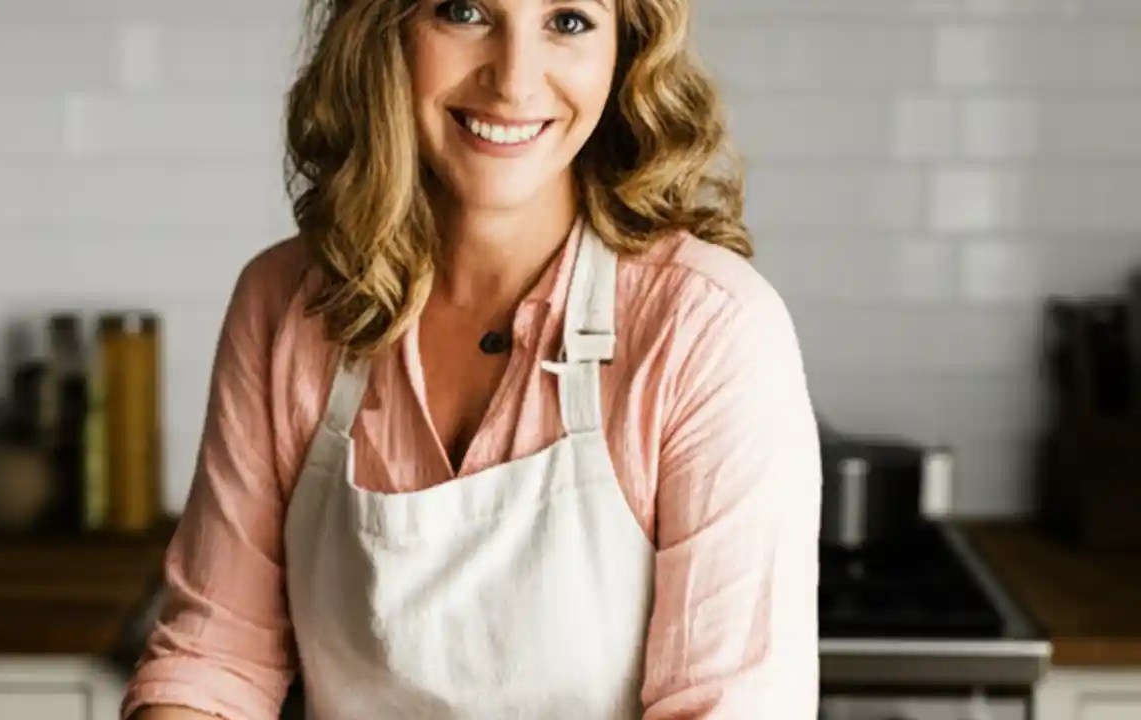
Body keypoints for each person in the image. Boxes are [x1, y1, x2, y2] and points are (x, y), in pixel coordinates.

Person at [121, 0, 820, 718]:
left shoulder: (706, 327)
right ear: (382, 32)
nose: (514, 81)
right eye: (464, 11)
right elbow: (215, 659)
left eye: (568, 21)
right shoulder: (286, 303)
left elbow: (728, 705)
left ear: (625, 51)